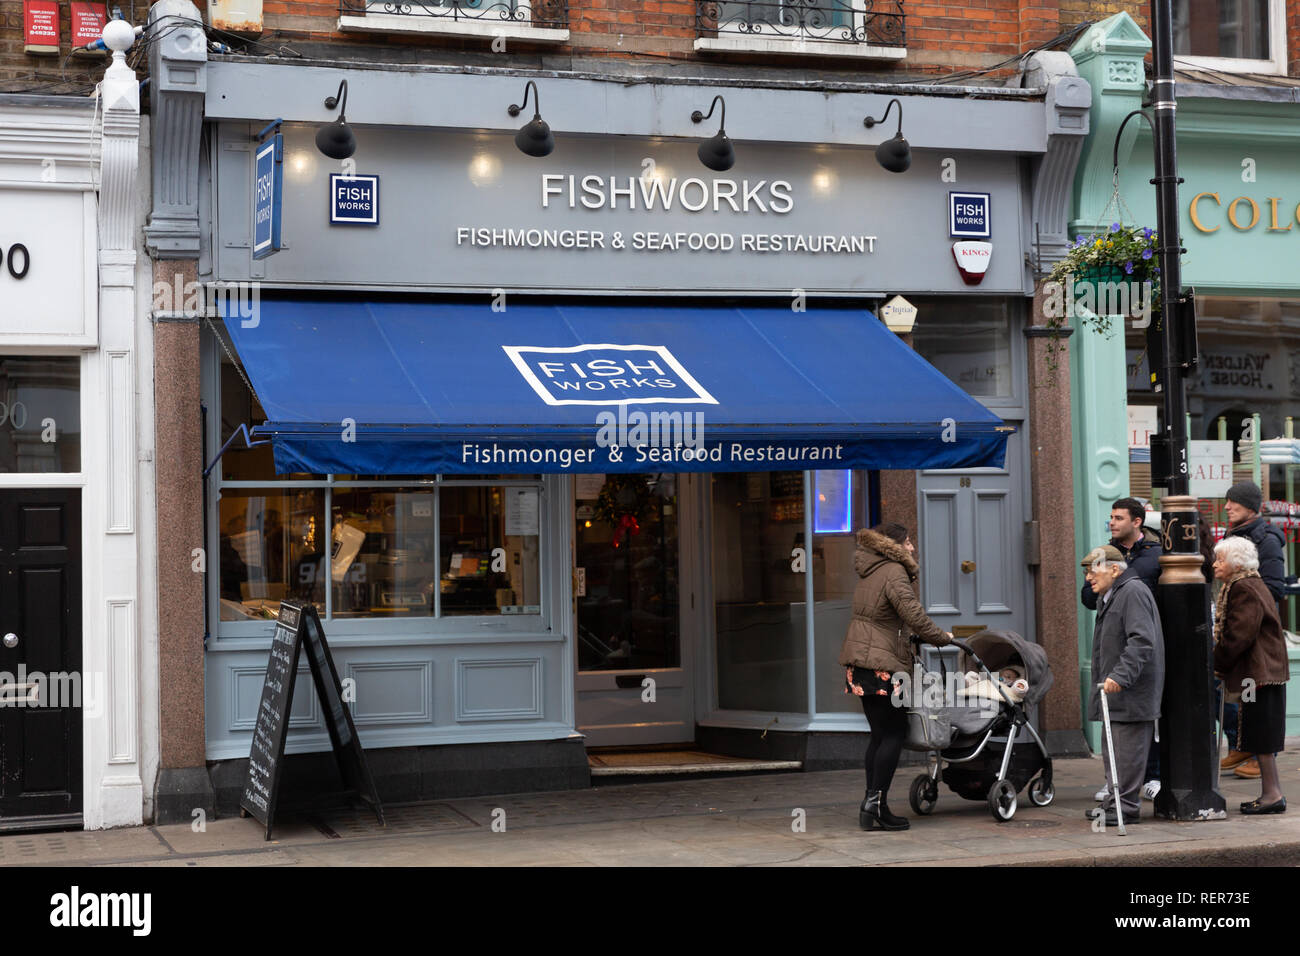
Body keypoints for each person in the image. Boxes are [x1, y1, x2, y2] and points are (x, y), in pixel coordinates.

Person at [839, 522, 953, 832]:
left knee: (879, 735)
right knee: (893, 734)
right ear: (893, 545)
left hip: (861, 661)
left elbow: (883, 616)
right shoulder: (893, 571)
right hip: (882, 664)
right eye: (907, 541)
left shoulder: (870, 569)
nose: (912, 547)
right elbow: (912, 613)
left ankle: (872, 804)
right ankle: (876, 804)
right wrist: (942, 637)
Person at [1082, 497, 1163, 803]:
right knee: (1115, 741)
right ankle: (1118, 794)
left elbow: (1142, 639)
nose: (1112, 522)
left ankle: (1128, 800)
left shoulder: (1136, 584)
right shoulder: (1109, 585)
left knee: (1132, 741)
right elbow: (1087, 598)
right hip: (1115, 678)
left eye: (1118, 517)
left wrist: (1121, 675)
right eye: (1111, 517)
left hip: (1131, 679)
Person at [1211, 536, 1288, 815]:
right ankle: (1271, 793)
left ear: (1236, 563)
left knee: (1260, 732)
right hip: (1258, 673)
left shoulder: (1243, 587)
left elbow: (1239, 634)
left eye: (1220, 559)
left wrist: (1216, 661)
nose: (1215, 564)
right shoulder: (1246, 584)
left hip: (1257, 675)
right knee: (1257, 731)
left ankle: (1272, 795)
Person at [1222, 480, 1287, 780]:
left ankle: (1262, 755)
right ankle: (1244, 744)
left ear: (1249, 506)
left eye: (1232, 502)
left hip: (1255, 635)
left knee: (1257, 698)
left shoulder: (1267, 539)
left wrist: (1247, 610)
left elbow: (1274, 587)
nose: (1226, 507)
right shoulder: (1232, 534)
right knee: (1239, 694)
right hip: (1237, 624)